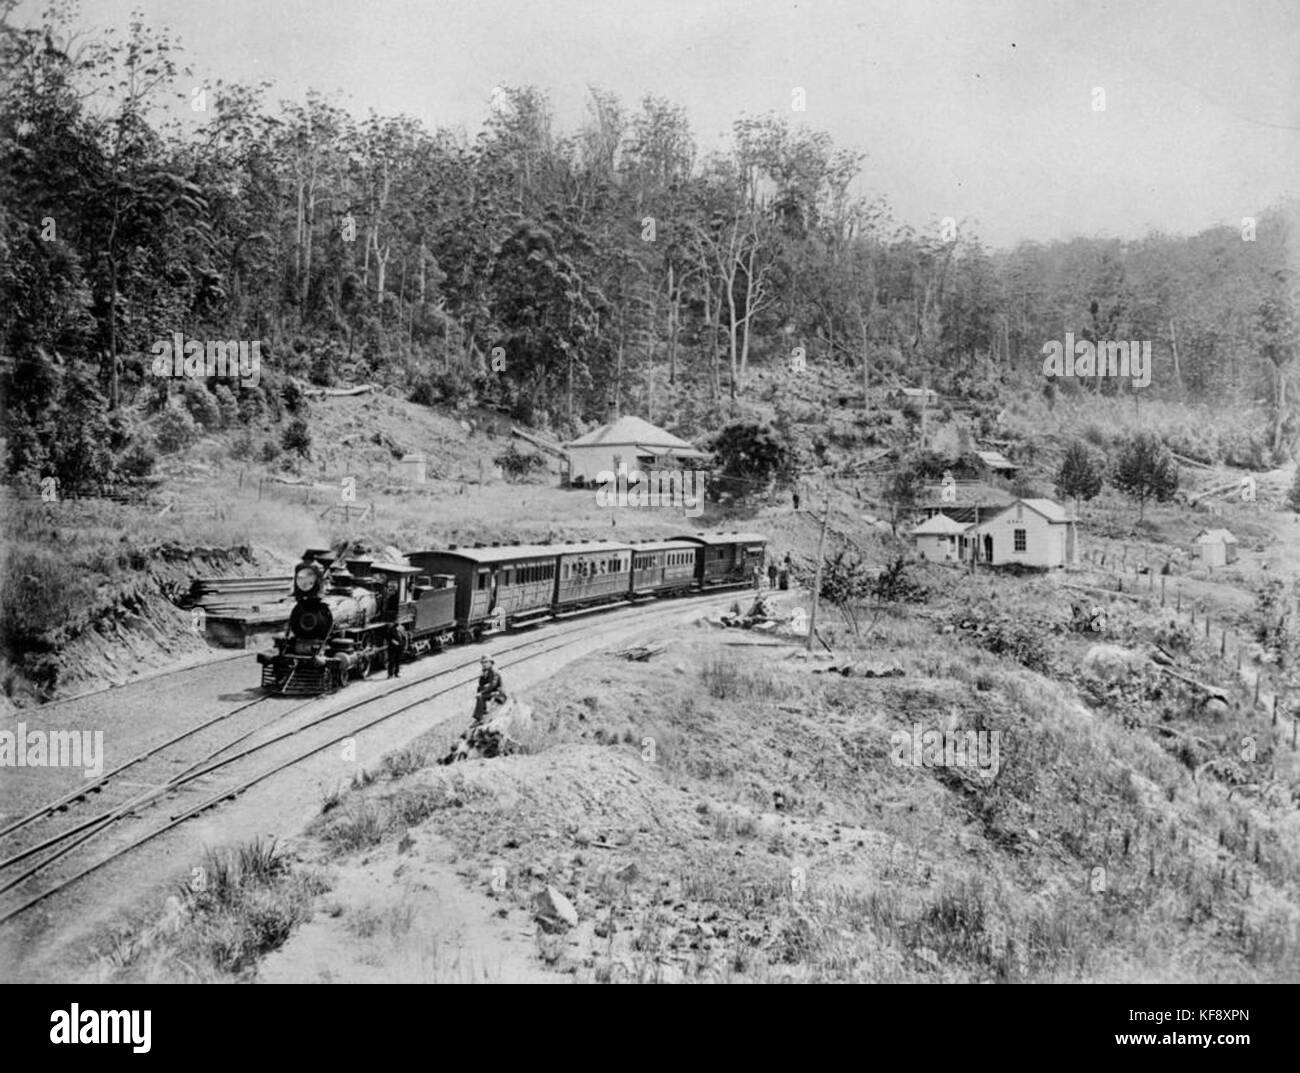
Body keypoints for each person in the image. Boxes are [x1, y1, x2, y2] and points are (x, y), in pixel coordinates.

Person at [474, 656, 506, 722]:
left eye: (486, 662)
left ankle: (479, 718)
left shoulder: (494, 672)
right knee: (480, 689)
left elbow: (493, 685)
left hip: (499, 694)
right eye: (482, 663)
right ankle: (483, 711)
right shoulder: (487, 672)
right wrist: (482, 675)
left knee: (481, 696)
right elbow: (481, 684)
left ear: (491, 662)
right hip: (493, 692)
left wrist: (482, 693)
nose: (483, 664)